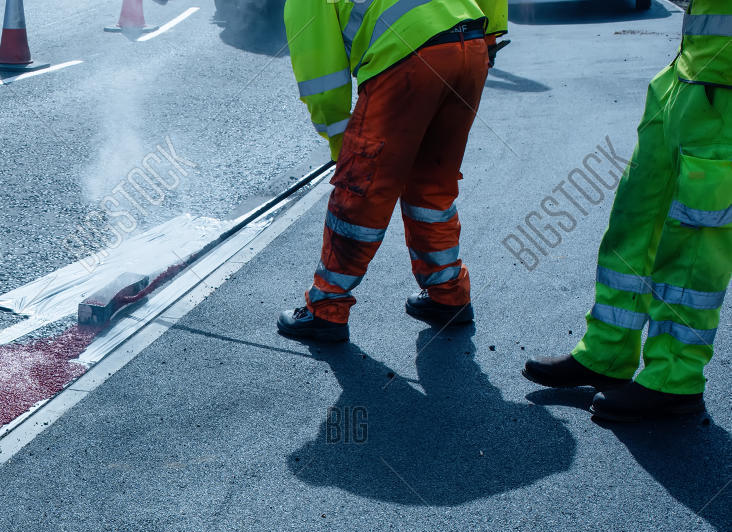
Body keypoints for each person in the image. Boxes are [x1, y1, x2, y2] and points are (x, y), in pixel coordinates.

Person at [525, 1, 732, 423]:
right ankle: (608, 350)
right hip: (686, 79)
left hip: (723, 94)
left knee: (694, 242)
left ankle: (675, 380)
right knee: (634, 220)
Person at [277, 0, 508, 345]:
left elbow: (320, 76)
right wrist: (488, 39)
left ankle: (327, 309)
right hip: (469, 44)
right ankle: (448, 294)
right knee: (432, 182)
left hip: (409, 57)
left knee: (362, 190)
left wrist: (345, 145)